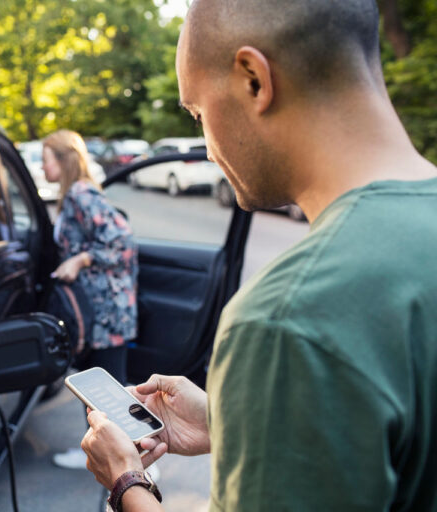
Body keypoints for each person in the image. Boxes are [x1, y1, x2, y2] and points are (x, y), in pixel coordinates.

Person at [81, 1, 437, 511]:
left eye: (198, 113)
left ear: (254, 79)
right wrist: (232, 422)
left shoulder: (287, 320)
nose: (205, 148)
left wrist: (126, 484)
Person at [42, 129, 139, 470]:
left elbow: (122, 242)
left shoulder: (82, 194)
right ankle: (98, 453)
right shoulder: (73, 195)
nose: (42, 168)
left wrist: (80, 260)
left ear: (63, 160)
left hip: (107, 310)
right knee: (95, 387)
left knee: (108, 387)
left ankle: (135, 459)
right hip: (94, 310)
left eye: (46, 160)